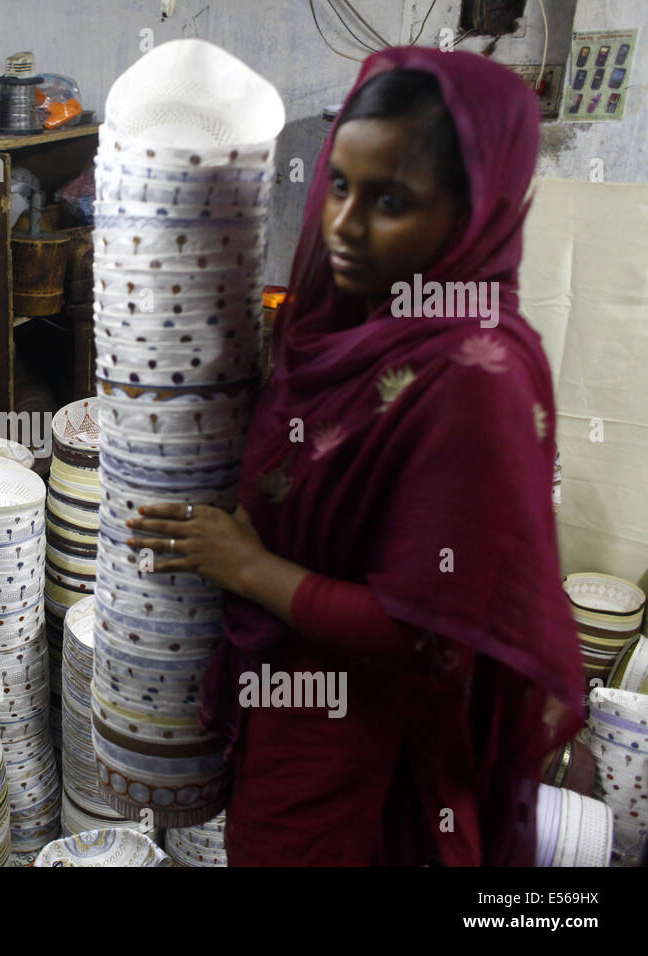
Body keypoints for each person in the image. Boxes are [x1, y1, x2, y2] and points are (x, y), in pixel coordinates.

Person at [125, 46, 585, 866]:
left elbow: (423, 629)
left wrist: (245, 567)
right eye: (338, 185)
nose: (342, 224)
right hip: (290, 702)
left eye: (391, 200)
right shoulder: (349, 327)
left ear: (476, 211)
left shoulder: (474, 377)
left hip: (364, 746)